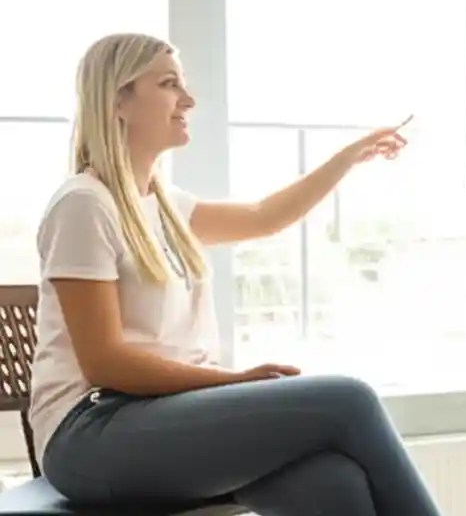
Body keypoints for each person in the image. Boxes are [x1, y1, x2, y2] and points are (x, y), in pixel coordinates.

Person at [31, 33, 441, 515]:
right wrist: (234, 381)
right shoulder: (84, 204)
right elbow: (106, 364)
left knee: (332, 481)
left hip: (159, 415)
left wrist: (350, 157)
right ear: (117, 101)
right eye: (169, 84)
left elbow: (265, 217)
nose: (188, 100)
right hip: (91, 433)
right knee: (350, 400)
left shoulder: (163, 206)